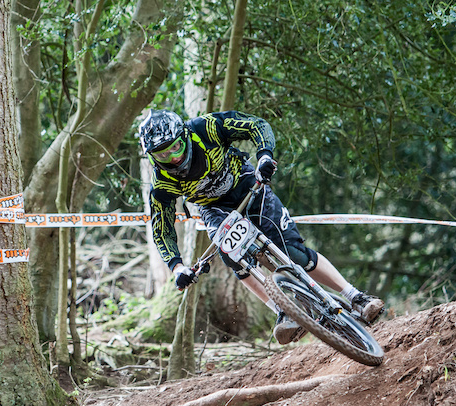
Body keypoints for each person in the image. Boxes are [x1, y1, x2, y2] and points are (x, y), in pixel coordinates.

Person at [138, 109, 384, 344]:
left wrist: (264, 155)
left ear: (184, 136)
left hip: (247, 184)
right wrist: (177, 267)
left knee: (293, 252)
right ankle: (283, 312)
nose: (173, 158)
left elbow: (256, 125)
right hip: (214, 209)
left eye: (175, 147)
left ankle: (356, 296)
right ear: (152, 157)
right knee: (233, 257)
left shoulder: (206, 128)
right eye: (162, 155)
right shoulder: (161, 184)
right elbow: (161, 228)